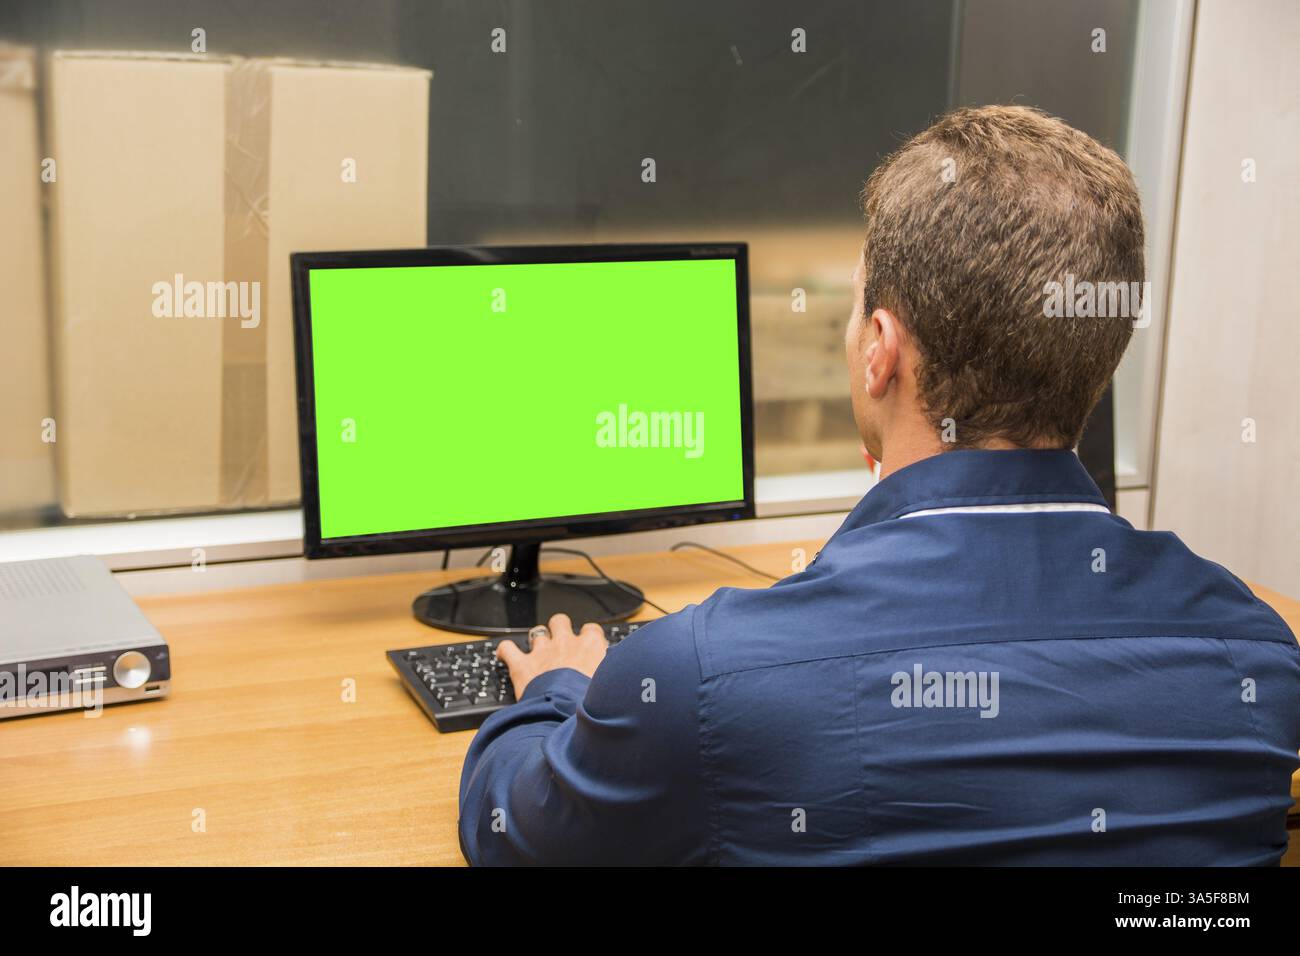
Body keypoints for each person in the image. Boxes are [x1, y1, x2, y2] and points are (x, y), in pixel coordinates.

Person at [458, 105, 1300, 865]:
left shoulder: (702, 680)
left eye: (858, 308)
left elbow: (515, 833)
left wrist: (559, 687)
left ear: (880, 352)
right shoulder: (1257, 660)